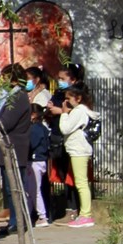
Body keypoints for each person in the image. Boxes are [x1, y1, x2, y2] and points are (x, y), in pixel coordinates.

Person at [46, 62, 85, 222]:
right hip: (57, 135)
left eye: (63, 78)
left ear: (73, 79)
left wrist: (60, 111)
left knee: (73, 177)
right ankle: (62, 208)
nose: (60, 81)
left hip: (71, 139)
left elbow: (76, 113)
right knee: (60, 174)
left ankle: (74, 208)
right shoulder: (58, 93)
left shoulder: (78, 95)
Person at [0, 64, 31, 235]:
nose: (2, 81)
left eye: (5, 77)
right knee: (9, 189)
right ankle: (13, 220)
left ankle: (19, 221)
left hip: (15, 147)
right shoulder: (9, 96)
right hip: (8, 148)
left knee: (15, 187)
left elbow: (6, 122)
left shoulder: (18, 97)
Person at [57, 81, 97, 228]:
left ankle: (86, 215)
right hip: (79, 149)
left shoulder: (79, 111)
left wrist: (64, 114)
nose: (66, 102)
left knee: (81, 183)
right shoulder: (82, 110)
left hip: (79, 150)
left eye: (69, 98)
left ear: (78, 98)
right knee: (81, 182)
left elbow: (65, 128)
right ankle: (84, 214)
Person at [26, 104, 52, 227]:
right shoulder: (42, 128)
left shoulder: (35, 129)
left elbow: (31, 144)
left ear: (33, 115)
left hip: (35, 161)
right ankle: (27, 214)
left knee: (34, 190)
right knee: (31, 190)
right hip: (40, 161)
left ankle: (42, 216)